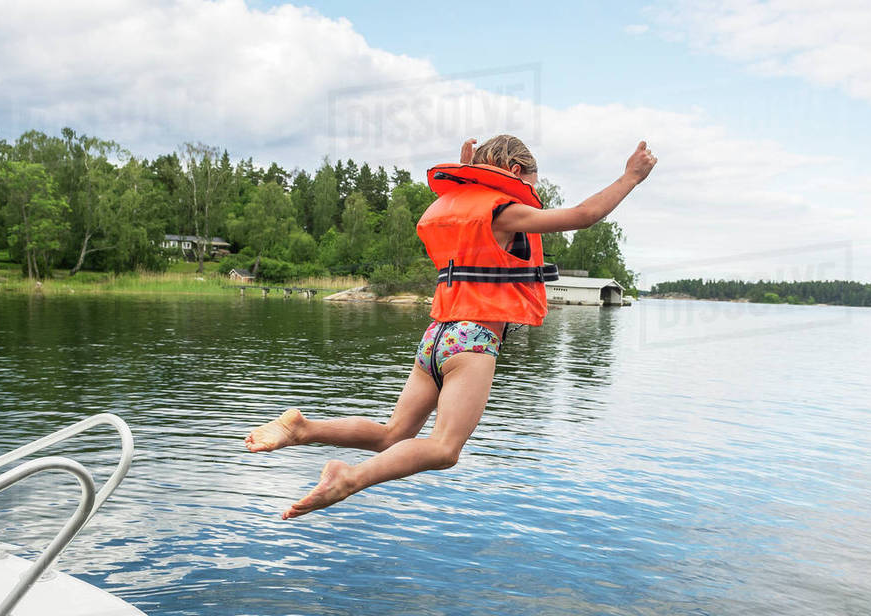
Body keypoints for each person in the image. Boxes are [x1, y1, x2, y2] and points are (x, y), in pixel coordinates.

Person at [246, 134, 658, 519]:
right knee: (445, 450)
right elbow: (583, 215)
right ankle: (349, 478)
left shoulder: (462, 208)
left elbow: (470, 221)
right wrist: (630, 178)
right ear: (514, 169)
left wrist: (468, 175)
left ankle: (303, 429)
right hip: (472, 341)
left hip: (437, 336)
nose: (535, 191)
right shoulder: (505, 211)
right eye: (533, 179)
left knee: (393, 434)